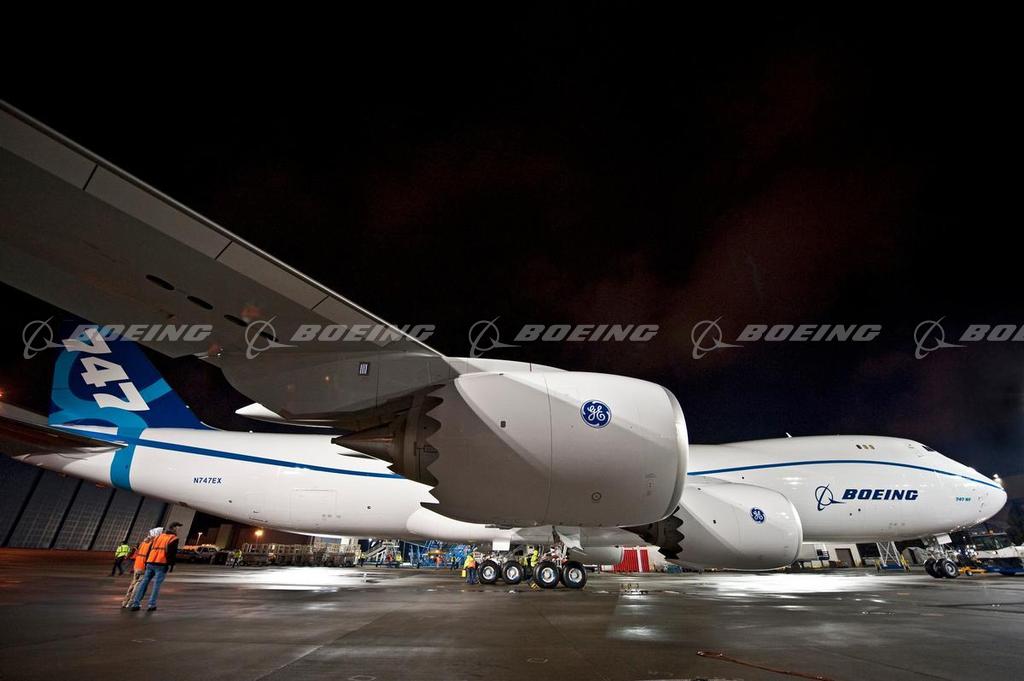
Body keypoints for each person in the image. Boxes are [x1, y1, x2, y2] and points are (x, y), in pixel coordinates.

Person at [129, 521, 181, 612]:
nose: (178, 530)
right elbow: (171, 553)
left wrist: (146, 562)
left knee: (143, 583)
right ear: (174, 528)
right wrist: (171, 565)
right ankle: (151, 605)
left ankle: (135, 603)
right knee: (156, 585)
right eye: (178, 528)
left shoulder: (157, 537)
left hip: (150, 562)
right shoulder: (173, 538)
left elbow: (149, 549)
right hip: (161, 563)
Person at [122, 528, 160, 608]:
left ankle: (125, 602)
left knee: (133, 583)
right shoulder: (152, 544)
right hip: (143, 566)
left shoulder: (143, 543)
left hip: (137, 565)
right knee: (139, 585)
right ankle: (132, 602)